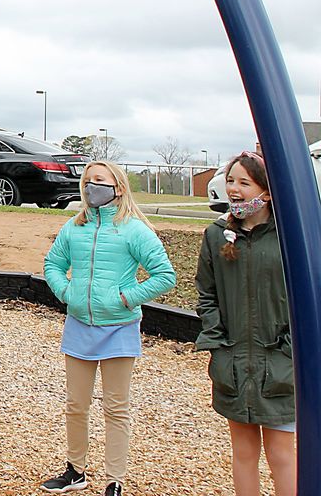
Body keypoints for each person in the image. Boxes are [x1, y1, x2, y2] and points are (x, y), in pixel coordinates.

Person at [41, 161, 176, 496]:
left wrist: (127, 298)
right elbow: (53, 264)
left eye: (98, 180)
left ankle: (114, 479)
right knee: (76, 404)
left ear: (118, 186)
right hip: (79, 326)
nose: (90, 186)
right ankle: (75, 470)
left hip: (119, 328)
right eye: (87, 181)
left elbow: (165, 275)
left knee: (116, 408)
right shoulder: (75, 226)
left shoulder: (134, 230)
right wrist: (66, 292)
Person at [196, 151, 295, 496]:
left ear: (267, 192)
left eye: (244, 182)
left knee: (282, 453)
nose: (234, 189)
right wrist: (219, 343)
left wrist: (290, 351)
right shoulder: (216, 234)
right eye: (230, 181)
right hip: (234, 364)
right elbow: (206, 294)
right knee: (243, 452)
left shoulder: (289, 236)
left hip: (282, 364)